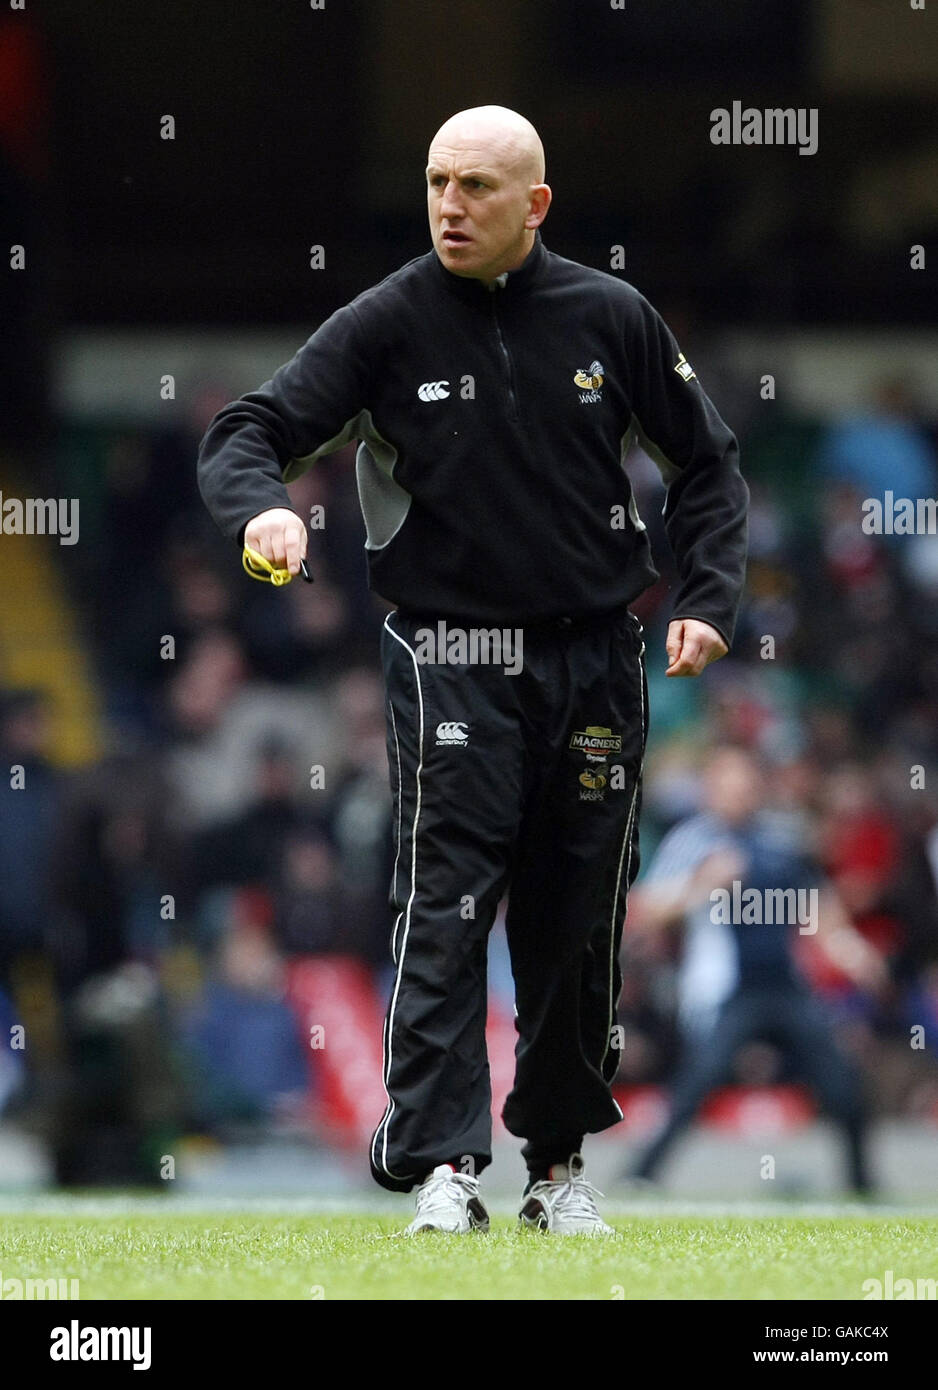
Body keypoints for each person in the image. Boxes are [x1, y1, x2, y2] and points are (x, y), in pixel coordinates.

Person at [197, 106, 748, 1234]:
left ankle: (555, 1168)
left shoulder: (612, 315)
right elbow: (248, 428)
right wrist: (263, 513)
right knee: (445, 900)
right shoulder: (386, 321)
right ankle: (442, 1166)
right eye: (438, 182)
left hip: (596, 653)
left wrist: (705, 599)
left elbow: (708, 464)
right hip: (450, 650)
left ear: (533, 204)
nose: (449, 205)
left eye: (477, 187)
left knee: (578, 909)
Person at [625, 746, 883, 1193]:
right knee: (697, 1082)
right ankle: (639, 1177)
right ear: (710, 791)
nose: (737, 795)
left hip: (786, 988)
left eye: (744, 786)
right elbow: (646, 910)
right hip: (728, 992)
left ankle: (862, 1186)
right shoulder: (694, 840)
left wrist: (851, 951)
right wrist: (703, 884)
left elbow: (817, 907)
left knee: (842, 1083)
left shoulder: (780, 839)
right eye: (727, 787)